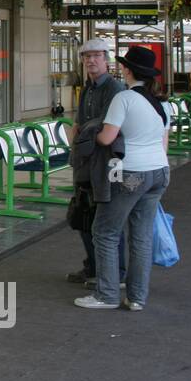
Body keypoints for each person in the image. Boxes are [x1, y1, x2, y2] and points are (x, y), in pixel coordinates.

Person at [74, 46, 172, 311]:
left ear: (127, 70)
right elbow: (164, 143)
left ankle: (106, 294)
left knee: (104, 231)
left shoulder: (125, 99)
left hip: (131, 173)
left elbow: (107, 137)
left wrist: (88, 135)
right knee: (140, 236)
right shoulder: (162, 103)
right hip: (159, 172)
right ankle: (137, 297)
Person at [66, 39, 126, 288]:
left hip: (106, 162)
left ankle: (115, 273)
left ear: (107, 59)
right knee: (83, 214)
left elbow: (104, 128)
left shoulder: (115, 89)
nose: (91, 60)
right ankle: (92, 266)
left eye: (96, 56)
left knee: (107, 218)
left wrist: (83, 135)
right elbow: (80, 124)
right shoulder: (88, 88)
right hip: (85, 161)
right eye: (86, 56)